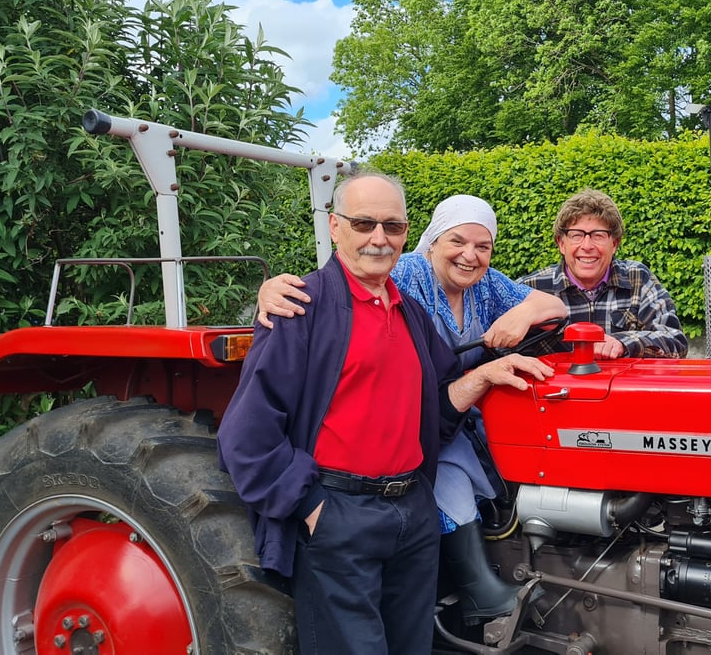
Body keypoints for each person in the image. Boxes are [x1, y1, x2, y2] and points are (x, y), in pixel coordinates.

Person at [217, 173, 554, 655]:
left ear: (405, 233)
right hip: (339, 513)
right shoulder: (301, 309)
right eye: (364, 223)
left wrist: (485, 375)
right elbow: (247, 434)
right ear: (336, 227)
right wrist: (310, 507)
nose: (379, 238)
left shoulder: (408, 312)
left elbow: (437, 405)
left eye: (392, 226)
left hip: (412, 513)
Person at [517, 188, 688, 359]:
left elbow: (675, 341)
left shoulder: (637, 278)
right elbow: (498, 352)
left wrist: (623, 343)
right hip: (555, 386)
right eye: (576, 235)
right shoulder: (531, 288)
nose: (587, 246)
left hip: (621, 385)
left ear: (614, 243)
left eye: (598, 235)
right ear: (561, 243)